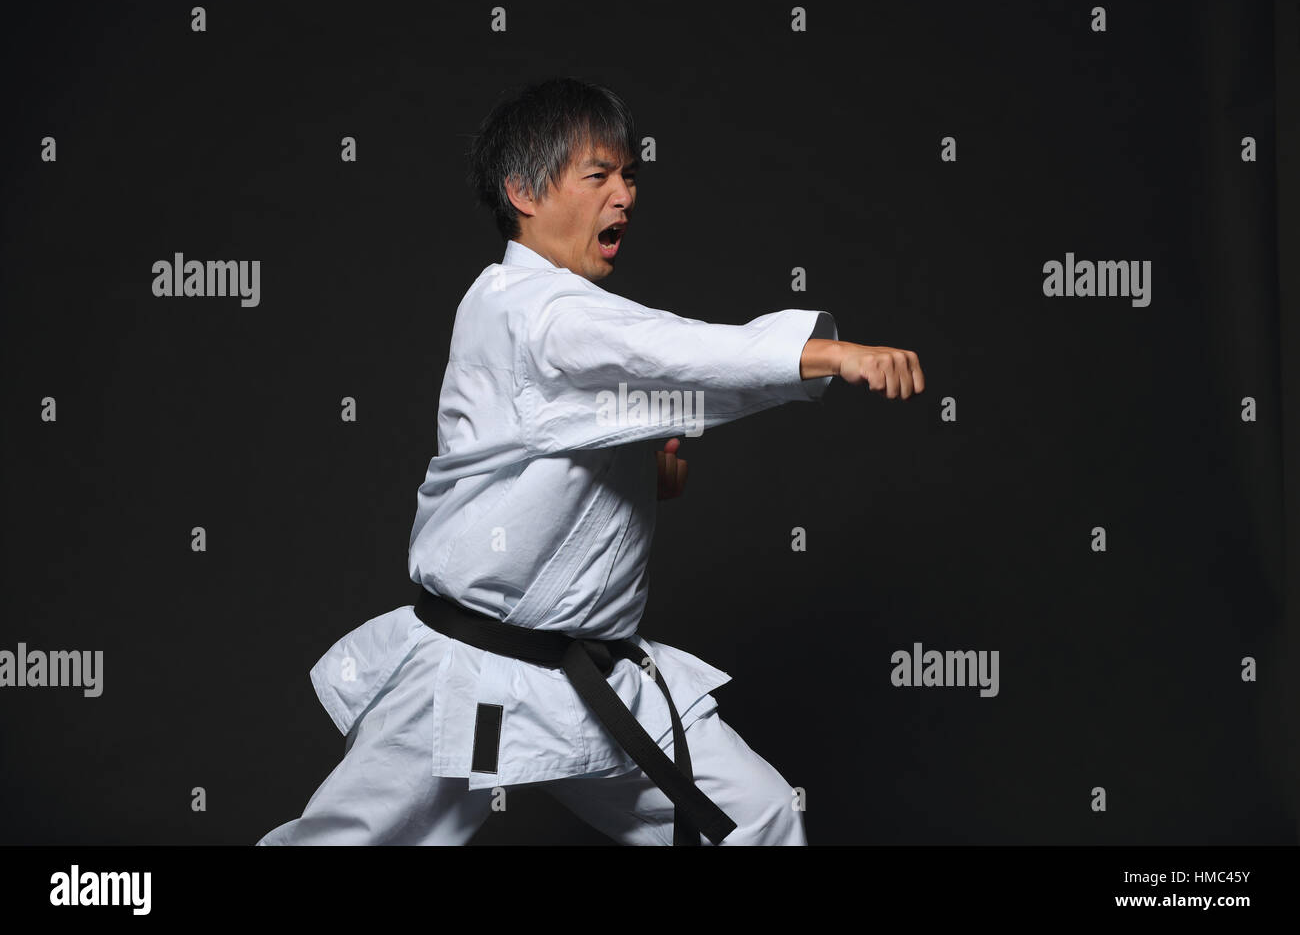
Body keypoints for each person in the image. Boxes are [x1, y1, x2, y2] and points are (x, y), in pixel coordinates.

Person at [256, 76, 924, 847]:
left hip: (596, 682)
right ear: (524, 192)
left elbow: (622, 404)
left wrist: (641, 473)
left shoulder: (559, 318)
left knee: (761, 818)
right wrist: (822, 354)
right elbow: (669, 352)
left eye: (630, 175)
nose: (625, 197)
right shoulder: (533, 310)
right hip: (477, 678)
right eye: (598, 176)